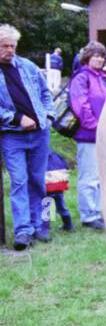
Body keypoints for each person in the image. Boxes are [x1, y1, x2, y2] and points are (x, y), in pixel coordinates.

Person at [0, 23, 54, 250]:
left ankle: (43, 224)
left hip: (40, 134)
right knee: (19, 182)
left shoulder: (28, 66)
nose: (10, 50)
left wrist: (48, 115)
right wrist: (16, 118)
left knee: (39, 181)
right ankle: (23, 230)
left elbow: (45, 93)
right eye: (4, 46)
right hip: (13, 136)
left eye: (12, 46)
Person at [68, 42, 106, 230]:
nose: (99, 59)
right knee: (89, 176)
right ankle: (88, 215)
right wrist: (94, 125)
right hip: (88, 134)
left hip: (102, 135)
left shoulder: (101, 78)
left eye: (102, 56)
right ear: (87, 57)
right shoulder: (82, 77)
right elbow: (80, 104)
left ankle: (98, 211)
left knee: (100, 176)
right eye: (95, 55)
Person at [42, 149, 74, 234]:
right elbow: (65, 165)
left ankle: (45, 228)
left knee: (47, 206)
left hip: (48, 186)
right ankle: (68, 225)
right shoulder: (56, 155)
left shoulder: (39, 156)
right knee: (61, 206)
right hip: (59, 185)